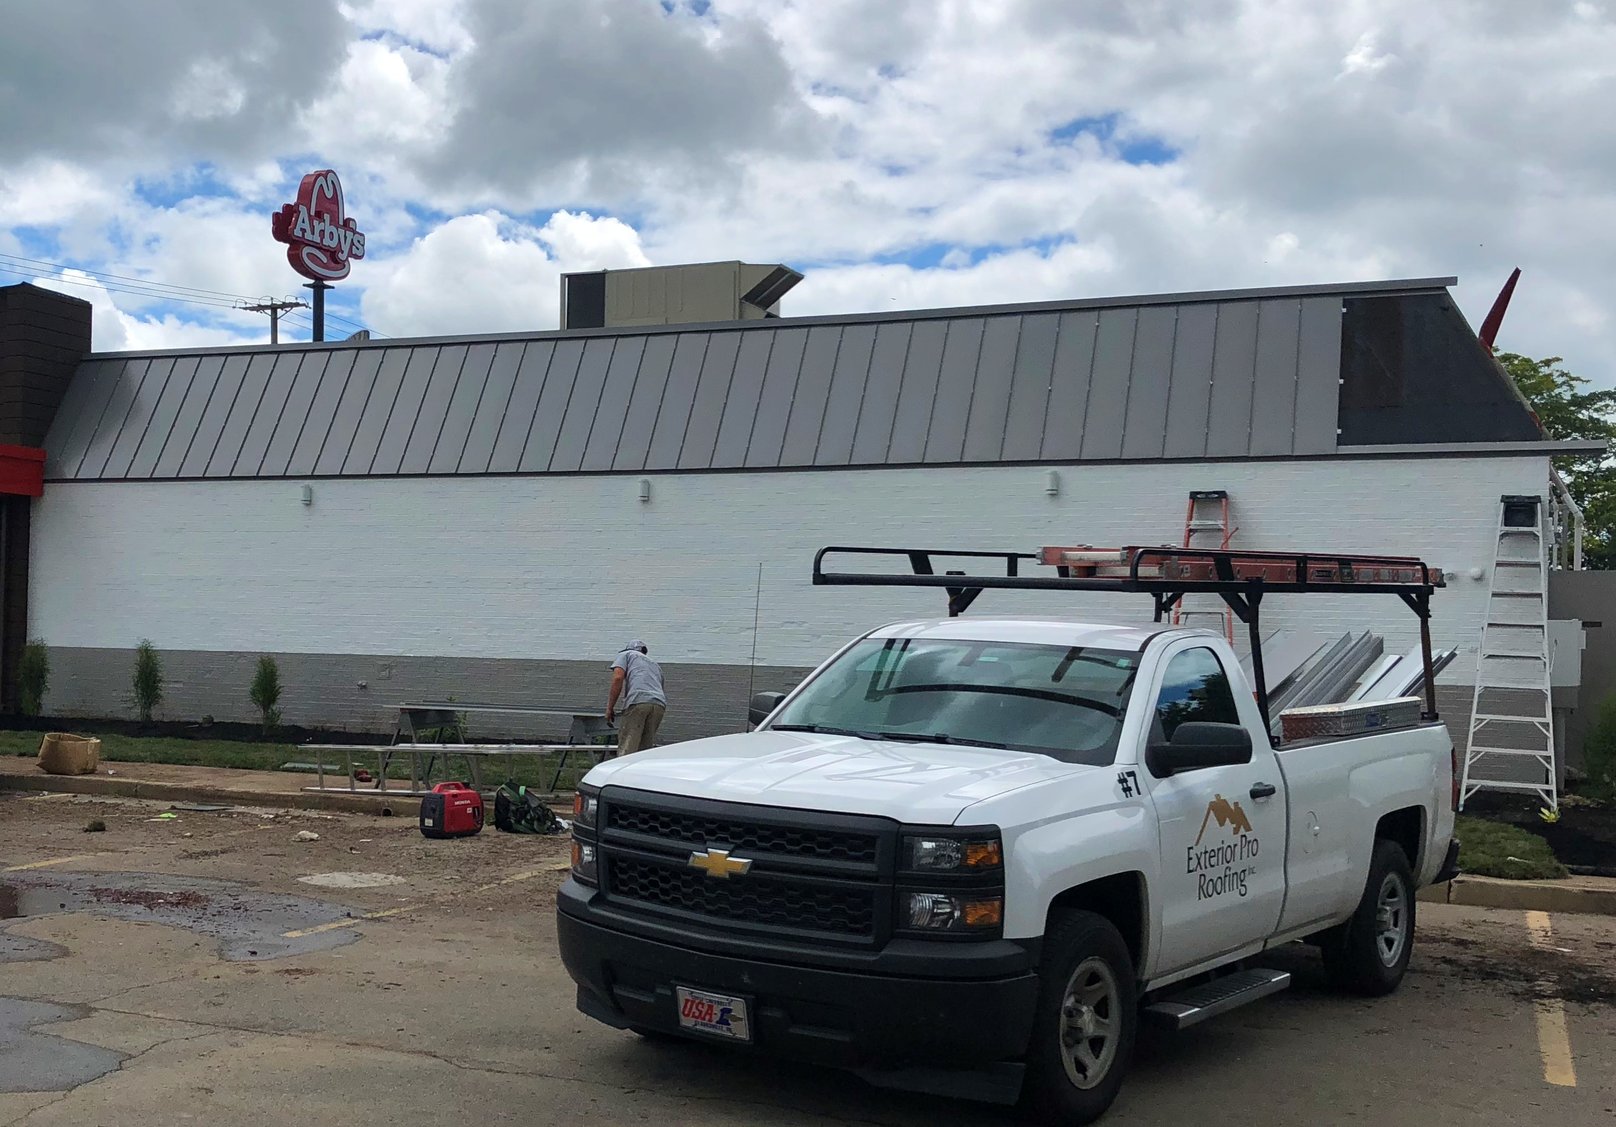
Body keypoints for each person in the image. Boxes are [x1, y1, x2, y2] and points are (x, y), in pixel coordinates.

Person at [606, 640, 666, 756]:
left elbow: (618, 678)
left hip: (638, 701)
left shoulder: (626, 654)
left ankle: (623, 773)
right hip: (659, 704)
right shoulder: (655, 665)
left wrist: (610, 708)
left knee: (628, 747)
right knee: (644, 751)